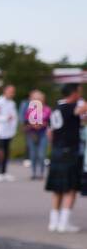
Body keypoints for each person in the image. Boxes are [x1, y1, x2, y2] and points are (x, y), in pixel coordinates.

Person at [44, 82, 82, 233]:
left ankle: (53, 222)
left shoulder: (56, 109)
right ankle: (64, 223)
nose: (80, 95)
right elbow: (84, 108)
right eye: (79, 92)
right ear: (73, 93)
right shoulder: (72, 107)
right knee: (70, 188)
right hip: (69, 150)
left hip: (57, 150)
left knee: (57, 189)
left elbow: (49, 133)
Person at [0, 84, 18, 182]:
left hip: (8, 132)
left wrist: (13, 129)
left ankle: (4, 172)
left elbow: (14, 117)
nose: (12, 94)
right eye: (10, 91)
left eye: (13, 92)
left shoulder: (12, 103)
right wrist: (6, 118)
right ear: (5, 91)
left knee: (6, 152)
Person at [24, 89, 50, 181]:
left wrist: (42, 124)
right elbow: (26, 122)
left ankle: (41, 173)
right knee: (33, 154)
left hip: (43, 133)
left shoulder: (47, 109)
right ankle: (34, 173)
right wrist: (33, 125)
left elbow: (49, 122)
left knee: (41, 154)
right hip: (32, 133)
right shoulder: (30, 110)